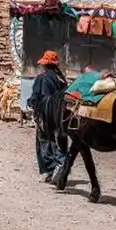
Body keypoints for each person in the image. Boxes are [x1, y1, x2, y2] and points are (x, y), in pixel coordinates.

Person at [28, 50, 68, 182]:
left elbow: (37, 97)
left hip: (45, 115)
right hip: (60, 115)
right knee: (59, 140)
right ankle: (62, 164)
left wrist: (30, 103)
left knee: (45, 142)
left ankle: (52, 170)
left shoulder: (42, 78)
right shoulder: (61, 79)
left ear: (44, 64)